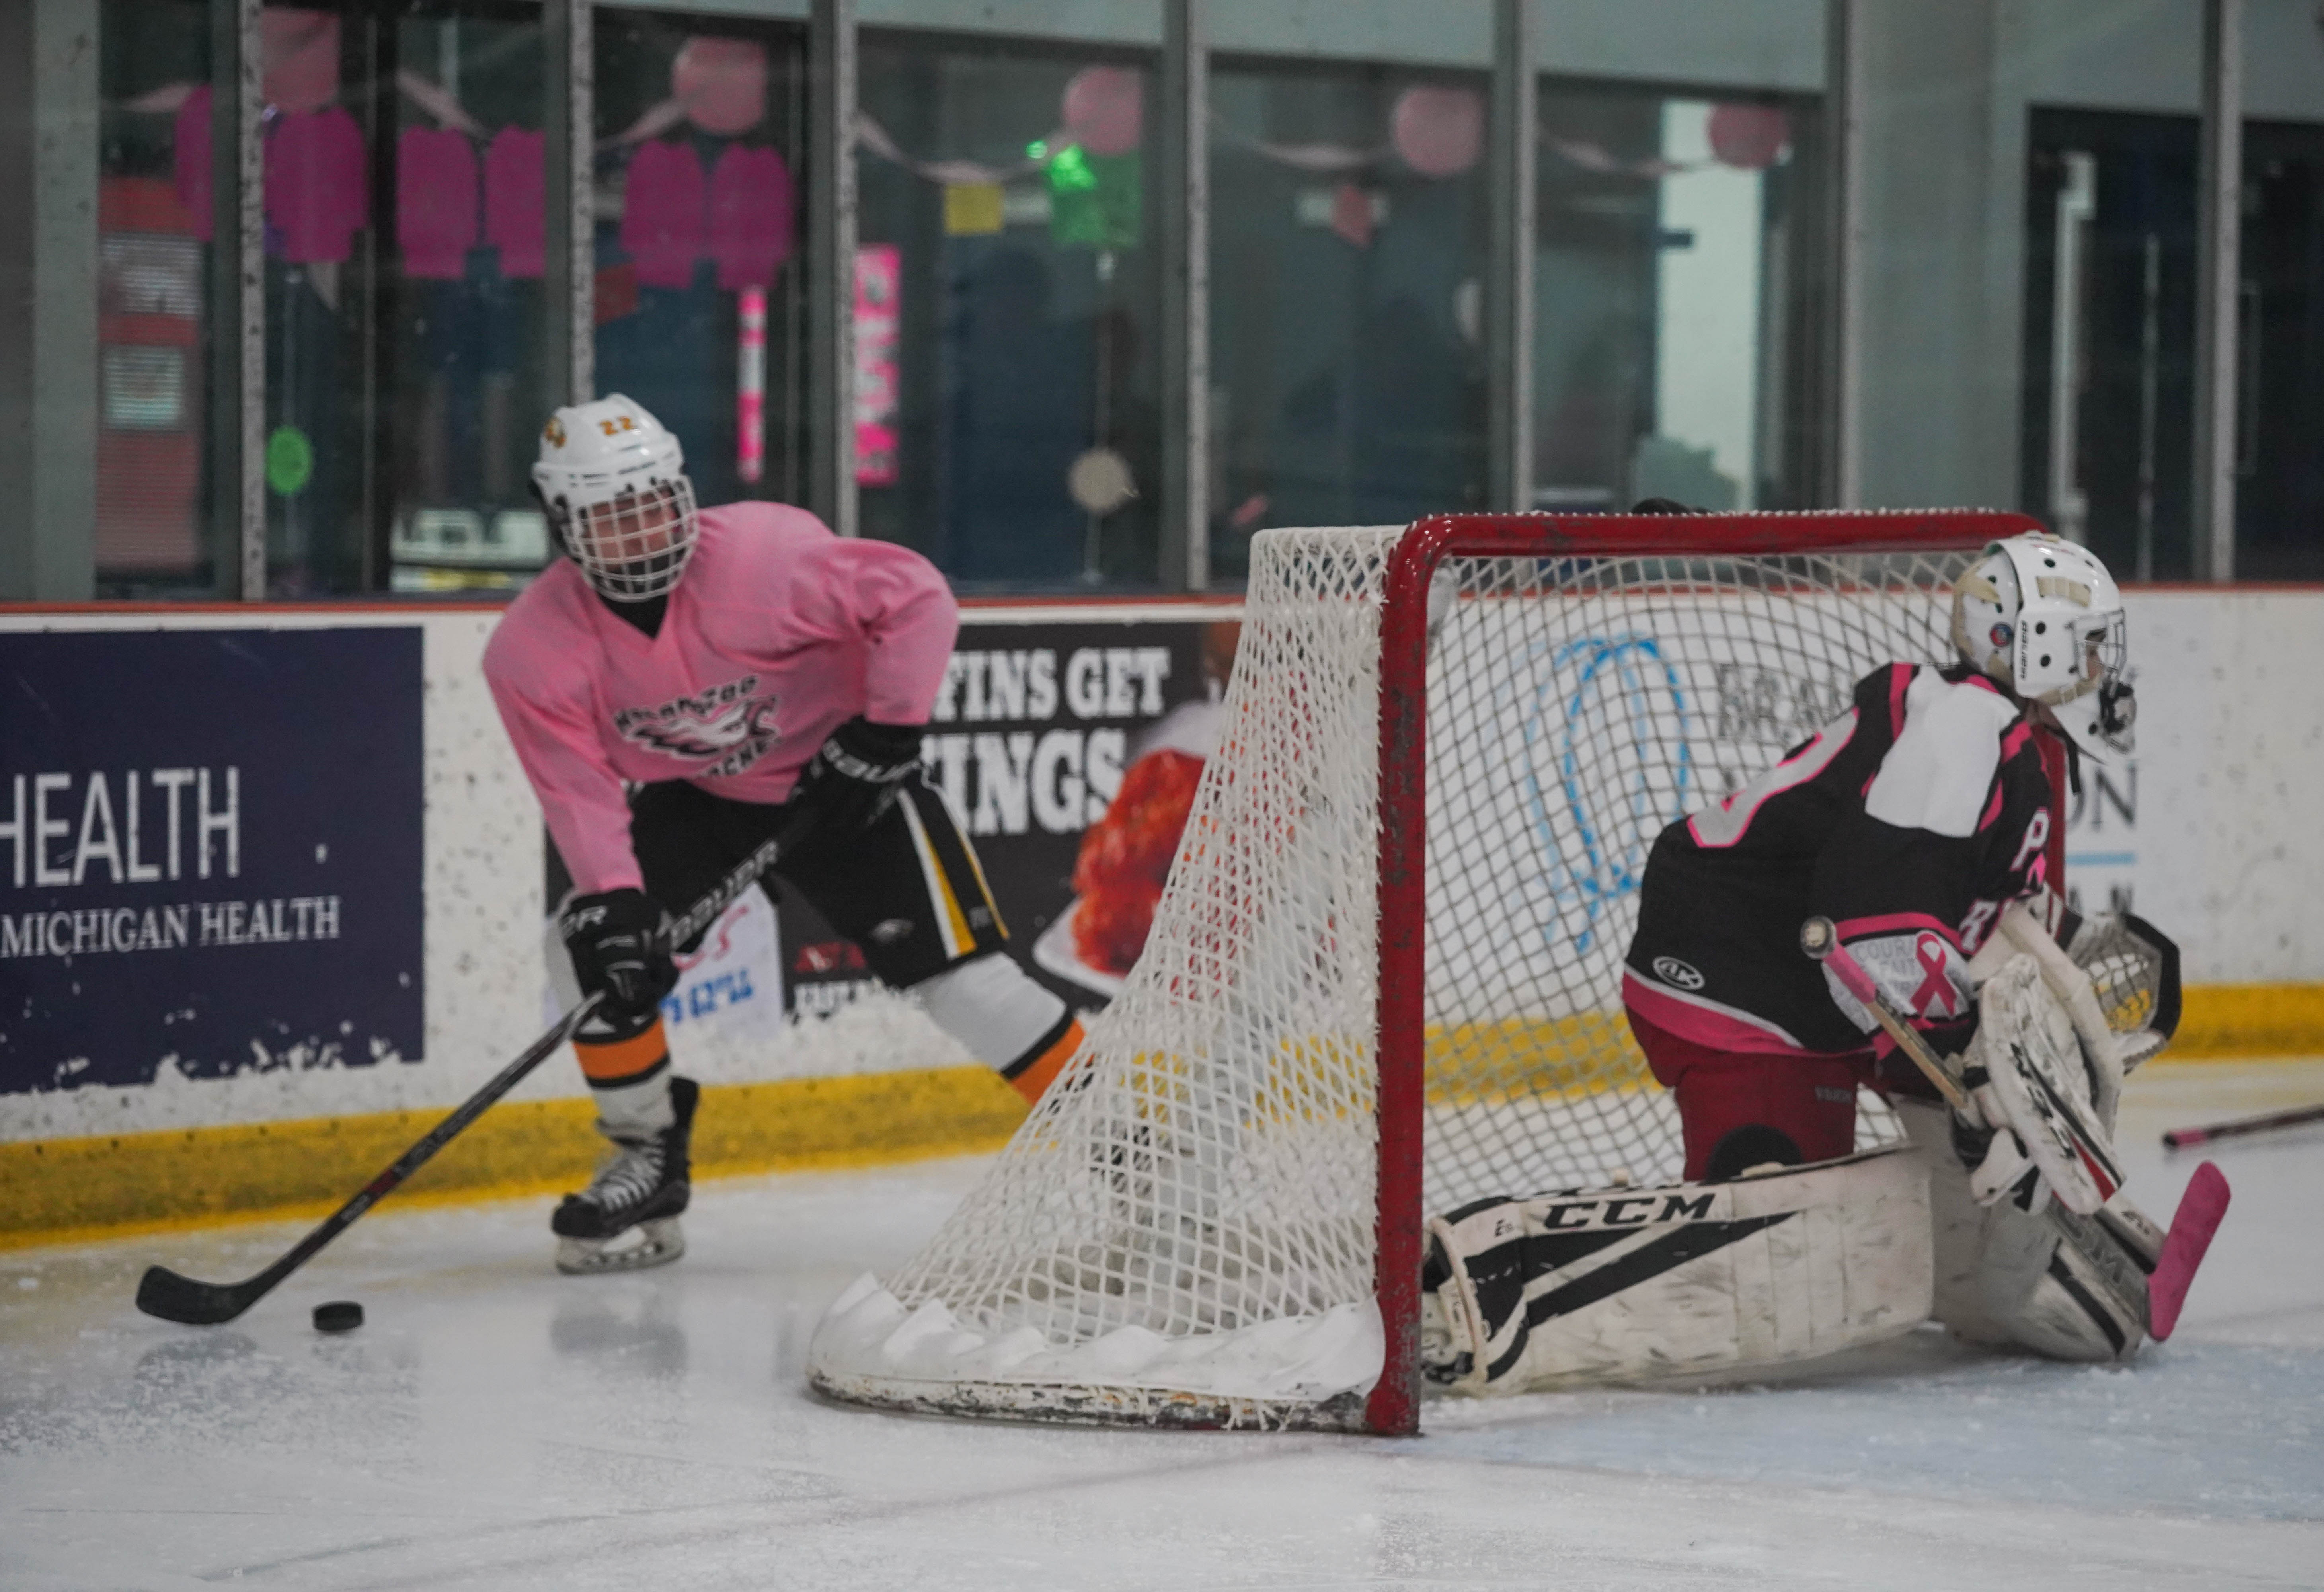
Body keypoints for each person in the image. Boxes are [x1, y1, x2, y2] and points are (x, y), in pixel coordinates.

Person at [484, 394, 1084, 1275]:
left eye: (655, 503)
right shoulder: (532, 648)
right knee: (588, 953)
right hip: (699, 798)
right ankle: (644, 1150)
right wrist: (618, 903)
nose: (644, 532)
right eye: (612, 516)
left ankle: (1138, 1151)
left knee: (969, 987)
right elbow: (576, 791)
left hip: (843, 788)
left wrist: (883, 734)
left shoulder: (764, 558)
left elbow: (917, 597)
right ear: (563, 524)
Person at [1619, 526, 2147, 1357]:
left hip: (1815, 982)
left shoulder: (2010, 738)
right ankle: (1620, 1260)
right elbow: (1880, 929)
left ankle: (1988, 1268)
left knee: (1933, 1169)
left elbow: (1954, 915)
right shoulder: (1964, 725)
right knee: (1773, 1270)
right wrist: (1963, 1068)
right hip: (1736, 978)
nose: (2096, 666)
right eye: (2082, 645)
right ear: (2028, 645)